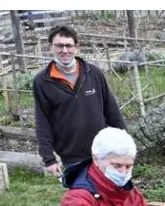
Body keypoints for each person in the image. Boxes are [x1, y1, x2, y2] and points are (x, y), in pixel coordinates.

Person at [33, 26, 126, 182]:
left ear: (77, 47)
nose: (64, 50)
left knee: (112, 193)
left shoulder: (93, 73)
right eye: (59, 45)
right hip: (72, 155)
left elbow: (111, 109)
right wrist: (48, 158)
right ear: (50, 47)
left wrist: (124, 141)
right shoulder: (42, 81)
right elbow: (42, 121)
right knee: (83, 199)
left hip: (103, 150)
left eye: (69, 45)